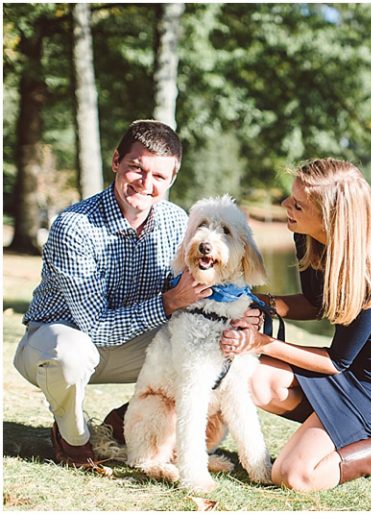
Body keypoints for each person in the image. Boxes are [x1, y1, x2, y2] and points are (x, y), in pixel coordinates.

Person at [13, 120, 260, 468]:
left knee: (211, 350)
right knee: (71, 352)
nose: (146, 183)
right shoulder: (75, 226)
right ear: (116, 161)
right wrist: (170, 302)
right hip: (57, 342)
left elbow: (207, 283)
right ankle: (72, 438)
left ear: (172, 178)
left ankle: (128, 421)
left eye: (159, 176)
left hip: (132, 343)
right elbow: (96, 327)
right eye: (137, 168)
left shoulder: (177, 221)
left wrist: (247, 313)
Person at [219, 158, 371, 494]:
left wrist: (263, 343)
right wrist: (262, 304)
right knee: (249, 379)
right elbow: (316, 302)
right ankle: (338, 429)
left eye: (298, 204)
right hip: (348, 367)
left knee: (292, 476)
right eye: (291, 197)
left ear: (331, 218)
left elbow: (336, 361)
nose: (285, 205)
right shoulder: (307, 235)